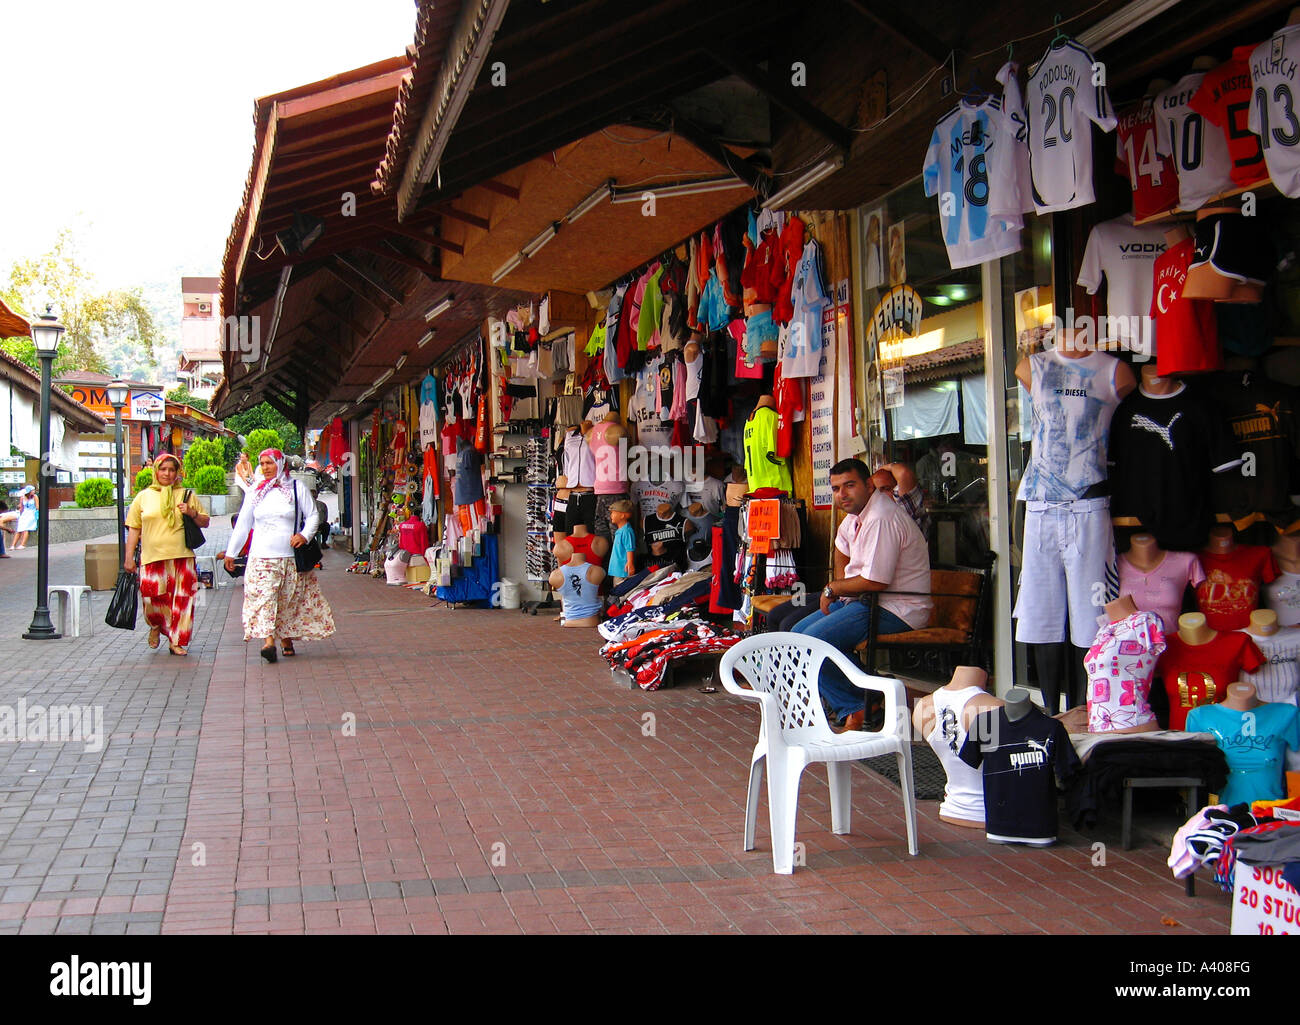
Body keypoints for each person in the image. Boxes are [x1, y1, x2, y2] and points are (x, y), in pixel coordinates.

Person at [767, 459, 932, 730]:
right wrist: (838, 589)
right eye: (835, 488)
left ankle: (856, 706)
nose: (842, 494)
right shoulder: (863, 515)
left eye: (849, 485)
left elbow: (875, 581)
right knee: (795, 635)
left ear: (869, 485)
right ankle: (865, 698)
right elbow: (849, 560)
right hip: (871, 602)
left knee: (809, 642)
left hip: (898, 608)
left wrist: (833, 588)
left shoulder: (882, 517)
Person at [225, 448, 335, 662]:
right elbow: (243, 524)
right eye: (262, 463)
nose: (265, 468)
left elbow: (312, 515)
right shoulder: (254, 490)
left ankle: (286, 639)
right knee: (265, 599)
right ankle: (269, 643)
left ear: (280, 464)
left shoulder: (296, 488)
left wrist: (304, 535)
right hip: (260, 557)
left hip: (289, 557)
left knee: (286, 601)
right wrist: (232, 551)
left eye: (270, 463)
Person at [123, 453, 210, 656]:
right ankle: (156, 625)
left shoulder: (186, 494)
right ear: (156, 471)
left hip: (182, 556)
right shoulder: (143, 497)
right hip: (152, 557)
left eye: (172, 470)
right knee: (151, 599)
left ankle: (176, 640)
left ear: (177, 473)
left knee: (183, 600)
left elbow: (205, 521)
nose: (167, 473)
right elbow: (134, 528)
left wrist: (191, 512)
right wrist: (128, 558)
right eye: (163, 469)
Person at [13, 485, 38, 549]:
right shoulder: (22, 497)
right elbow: (21, 507)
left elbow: (37, 506)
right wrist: (20, 515)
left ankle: (23, 544)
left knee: (26, 528)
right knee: (19, 529)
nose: (34, 491)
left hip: (32, 513)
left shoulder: (35, 497)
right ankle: (13, 545)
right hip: (24, 514)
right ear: (29, 491)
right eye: (32, 490)